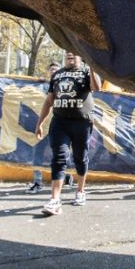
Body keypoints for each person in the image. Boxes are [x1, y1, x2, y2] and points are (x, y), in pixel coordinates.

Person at [35, 52, 100, 216]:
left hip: (82, 123)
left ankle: (80, 191)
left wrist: (92, 66)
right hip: (60, 122)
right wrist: (40, 123)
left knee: (80, 158)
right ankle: (55, 200)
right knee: (59, 156)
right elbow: (49, 100)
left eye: (74, 52)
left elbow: (96, 88)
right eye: (67, 52)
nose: (70, 54)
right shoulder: (57, 74)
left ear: (80, 56)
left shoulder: (86, 71)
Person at [27, 62, 60, 195]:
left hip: (58, 126)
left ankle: (65, 177)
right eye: (51, 69)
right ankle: (37, 182)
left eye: (56, 69)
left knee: (59, 155)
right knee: (37, 154)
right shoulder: (40, 86)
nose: (53, 71)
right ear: (48, 72)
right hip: (42, 127)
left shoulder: (66, 86)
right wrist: (36, 83)